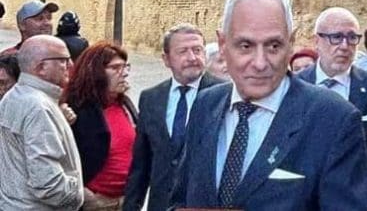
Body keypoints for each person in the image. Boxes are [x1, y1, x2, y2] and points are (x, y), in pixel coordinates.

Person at [169, 0, 367, 210]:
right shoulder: (205, 105)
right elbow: (180, 200)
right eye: (245, 46)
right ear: (222, 44)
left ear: (291, 43)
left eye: (273, 46)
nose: (259, 63)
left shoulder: (334, 119)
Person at [297, 7, 367, 209]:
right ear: (317, 41)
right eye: (336, 37)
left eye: (352, 38)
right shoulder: (292, 89)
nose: (344, 46)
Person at [122, 24, 223, 211]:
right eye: (183, 51)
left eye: (197, 50)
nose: (192, 58)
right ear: (166, 59)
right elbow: (141, 164)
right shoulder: (151, 98)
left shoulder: (224, 95)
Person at [0, 35, 84, 209]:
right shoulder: (37, 107)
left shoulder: (16, 96)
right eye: (63, 60)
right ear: (41, 68)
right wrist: (76, 193)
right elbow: (47, 184)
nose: (71, 65)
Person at [63, 42, 139, 210]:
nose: (125, 73)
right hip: (94, 202)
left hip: (126, 201)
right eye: (116, 68)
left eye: (126, 67)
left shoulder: (124, 105)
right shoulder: (77, 109)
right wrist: (84, 194)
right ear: (96, 72)